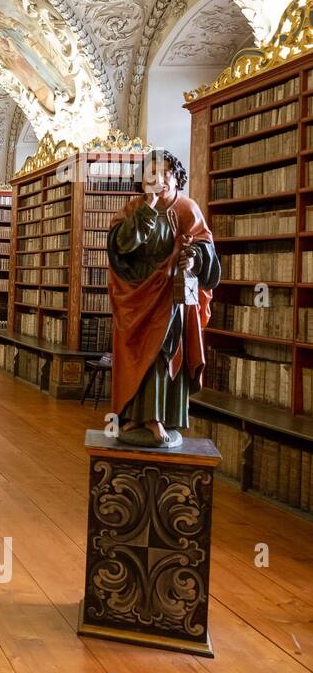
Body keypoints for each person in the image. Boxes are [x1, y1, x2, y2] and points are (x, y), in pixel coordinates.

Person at [107, 149, 220, 448]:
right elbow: (119, 247)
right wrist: (148, 208)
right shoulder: (133, 209)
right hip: (137, 292)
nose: (159, 178)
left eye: (166, 173)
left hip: (171, 294)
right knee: (135, 352)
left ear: (176, 177)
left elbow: (206, 249)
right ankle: (134, 414)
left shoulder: (187, 208)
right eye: (152, 173)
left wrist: (193, 258)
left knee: (162, 351)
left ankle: (157, 418)